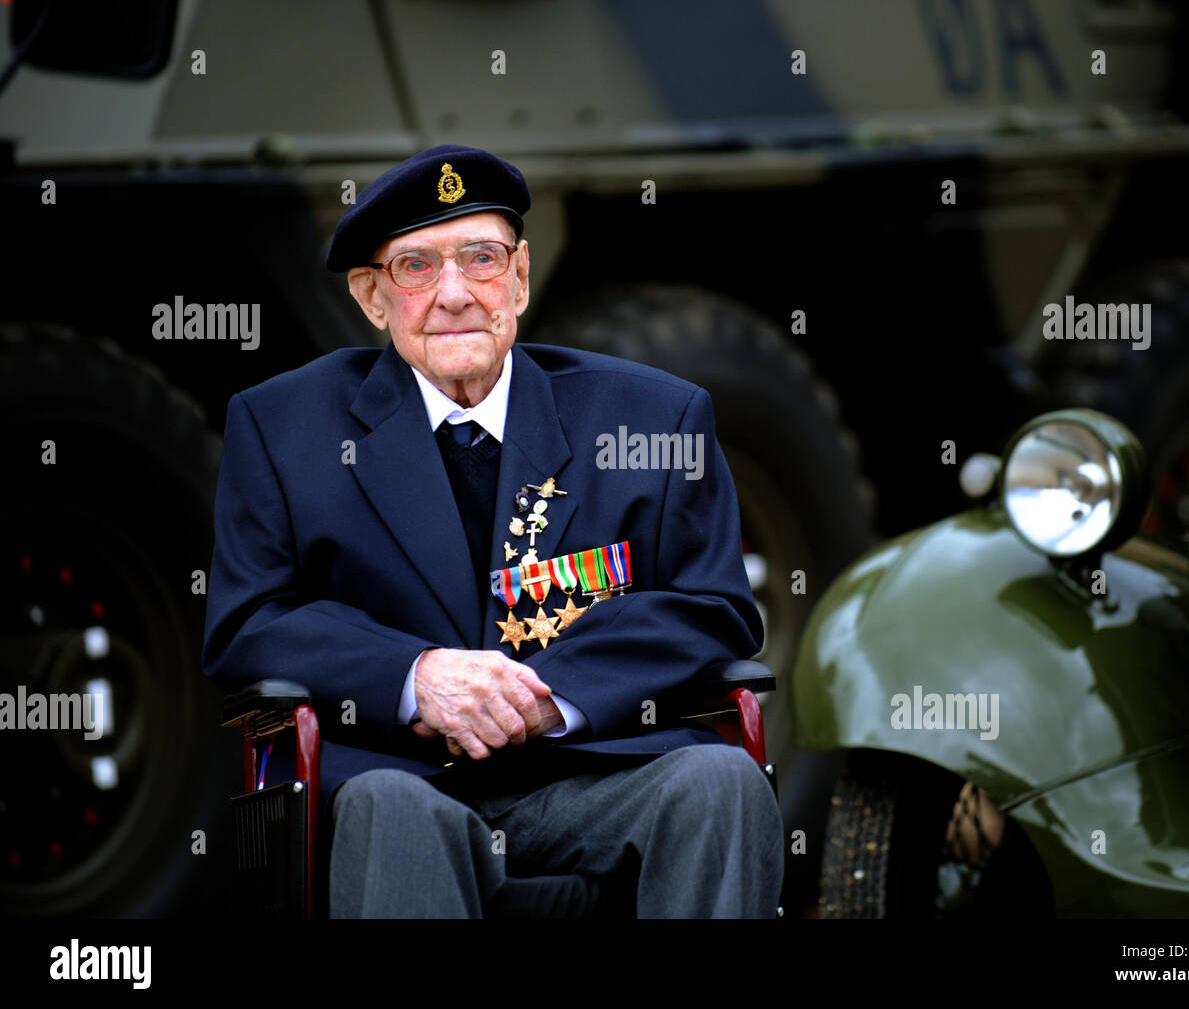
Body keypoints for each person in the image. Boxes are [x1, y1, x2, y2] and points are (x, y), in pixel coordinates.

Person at [202, 144, 783, 918]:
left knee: (720, 782)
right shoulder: (282, 428)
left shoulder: (653, 419)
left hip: (593, 772)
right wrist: (417, 677)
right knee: (394, 812)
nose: (453, 294)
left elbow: (712, 605)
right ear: (373, 297)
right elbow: (248, 620)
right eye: (415, 266)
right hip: (396, 778)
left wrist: (552, 698)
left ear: (519, 276)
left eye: (480, 258)